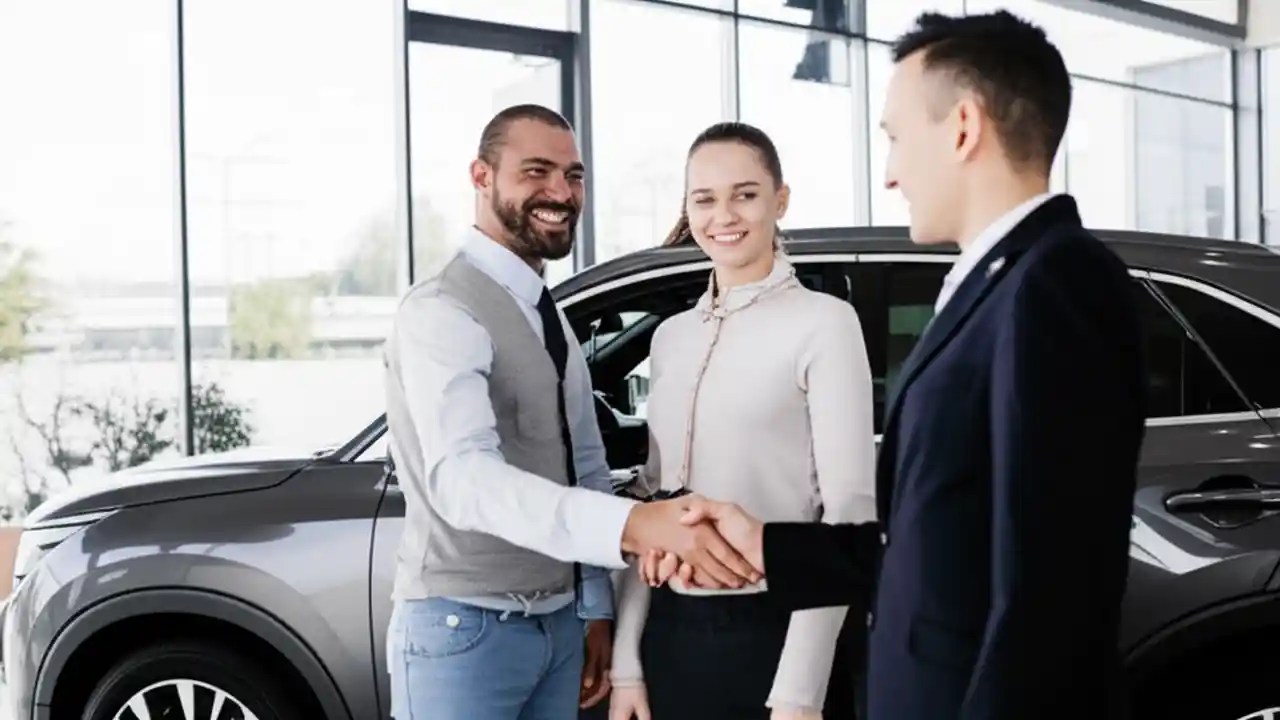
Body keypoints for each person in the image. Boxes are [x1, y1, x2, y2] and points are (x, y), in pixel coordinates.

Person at [646, 11, 1146, 720]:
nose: (889, 172)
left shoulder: (1057, 284)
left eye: (896, 137)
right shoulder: (997, 282)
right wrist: (766, 544)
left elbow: (1053, 594)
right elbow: (927, 540)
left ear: (964, 127)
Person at [383, 104, 760, 720]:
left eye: (574, 175)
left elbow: (583, 460)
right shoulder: (440, 312)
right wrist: (636, 526)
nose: (561, 192)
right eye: (537, 171)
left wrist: (594, 608)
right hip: (464, 632)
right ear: (481, 177)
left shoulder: (546, 312)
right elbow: (463, 479)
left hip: (557, 631)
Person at [608, 122, 877, 720]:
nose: (722, 215)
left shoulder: (825, 324)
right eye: (703, 199)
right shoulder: (672, 338)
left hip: (775, 633)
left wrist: (799, 695)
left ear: (780, 200)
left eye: (745, 194)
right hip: (671, 636)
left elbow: (847, 515)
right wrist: (627, 663)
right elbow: (654, 504)